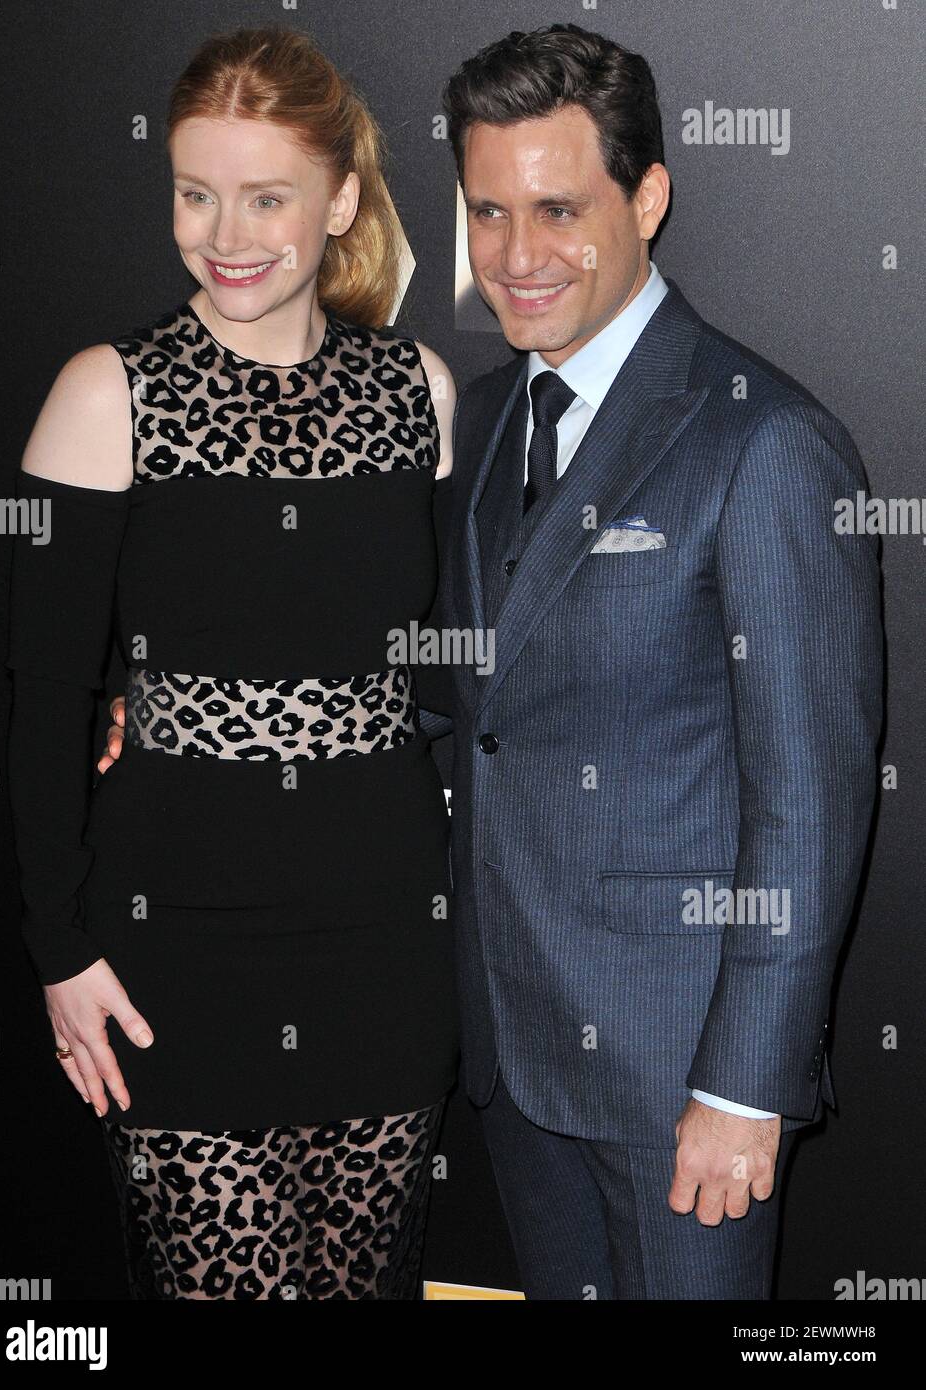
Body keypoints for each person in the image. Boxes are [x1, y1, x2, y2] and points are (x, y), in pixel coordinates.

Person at [5, 23, 459, 1301]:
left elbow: (441, 678)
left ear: (342, 202)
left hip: (381, 944)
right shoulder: (108, 395)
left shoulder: (417, 391)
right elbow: (40, 715)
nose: (225, 231)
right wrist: (57, 953)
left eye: (267, 195)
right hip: (175, 955)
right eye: (195, 192)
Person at [429, 24, 880, 1298]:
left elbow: (811, 799)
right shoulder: (490, 416)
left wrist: (744, 1083)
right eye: (489, 213)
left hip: (683, 1082)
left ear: (649, 197)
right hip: (515, 1058)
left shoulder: (767, 442)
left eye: (559, 209)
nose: (517, 258)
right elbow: (470, 710)